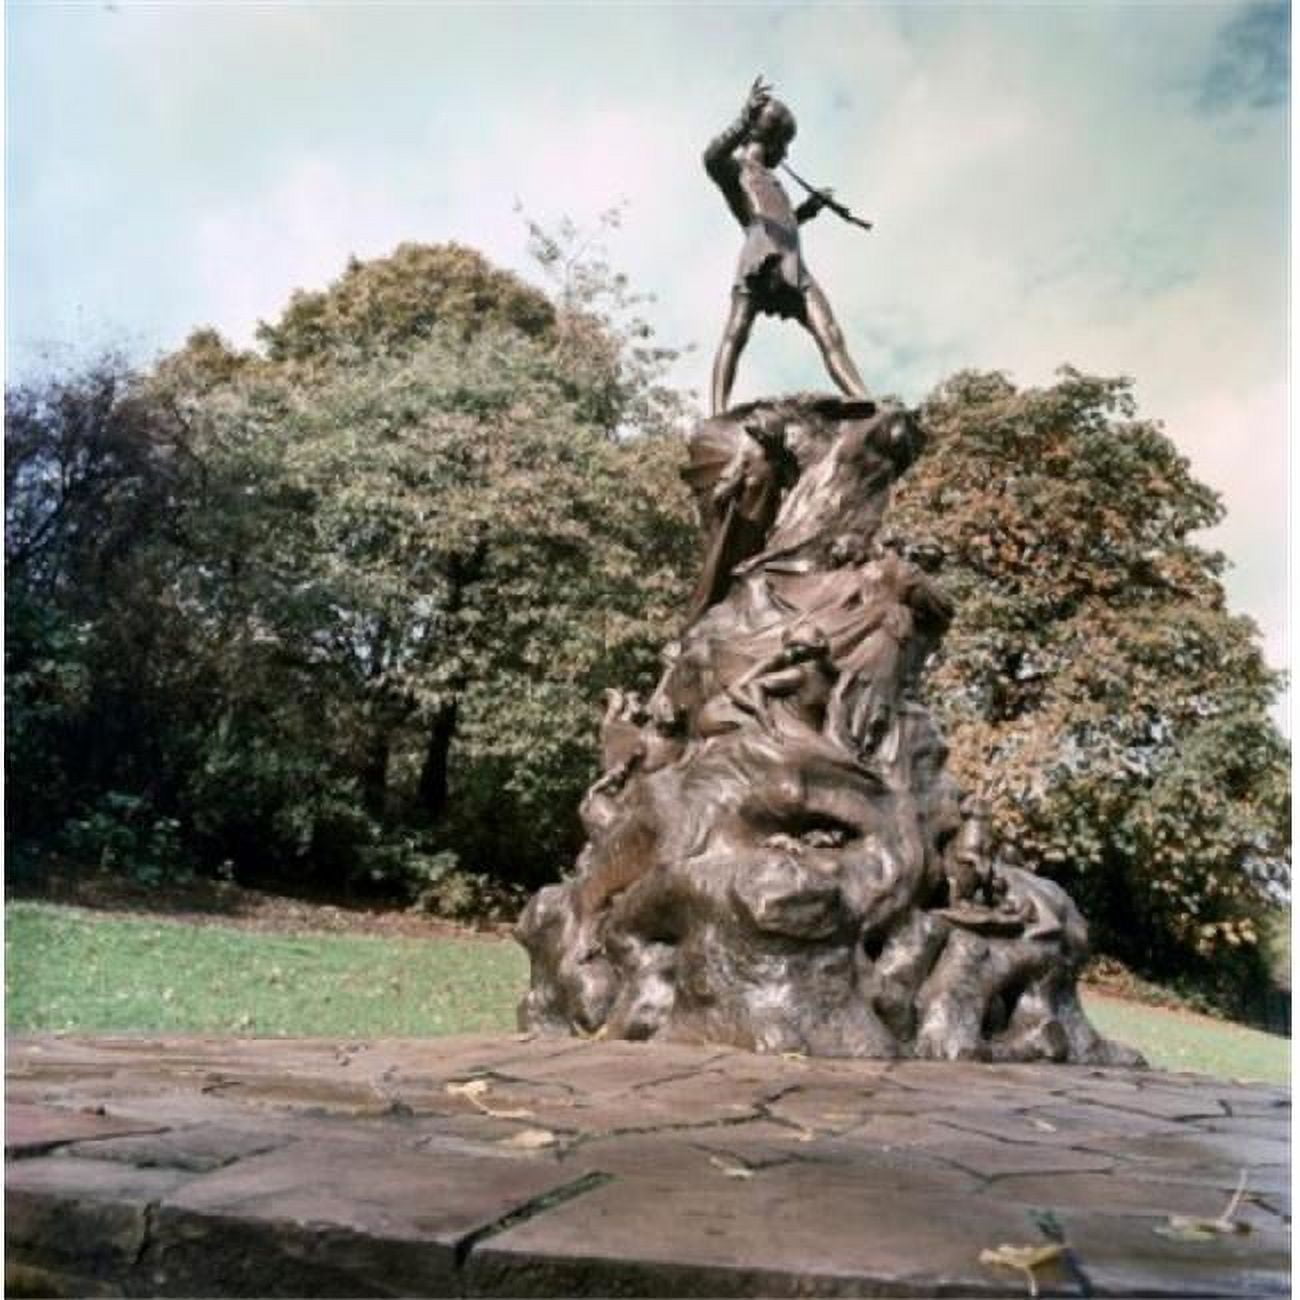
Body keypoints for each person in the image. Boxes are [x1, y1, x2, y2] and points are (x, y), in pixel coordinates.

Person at [704, 76, 871, 415]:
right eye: (784, 143)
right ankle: (718, 412)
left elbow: (784, 221)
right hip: (760, 256)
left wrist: (807, 210)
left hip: (793, 263)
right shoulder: (735, 169)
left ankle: (863, 398)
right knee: (736, 332)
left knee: (830, 331)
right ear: (770, 139)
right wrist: (742, 119)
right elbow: (710, 157)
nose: (786, 153)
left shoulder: (772, 179)